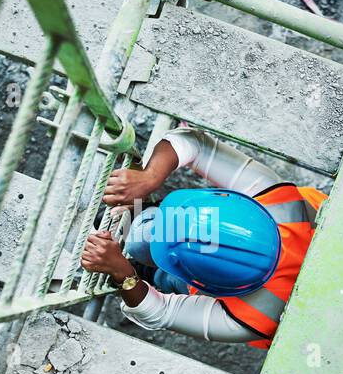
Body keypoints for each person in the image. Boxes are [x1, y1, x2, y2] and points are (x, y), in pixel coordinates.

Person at [80, 126, 326, 347]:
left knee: (160, 269)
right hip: (226, 283)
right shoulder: (276, 198)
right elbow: (194, 143)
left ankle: (147, 264)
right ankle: (143, 236)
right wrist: (149, 177)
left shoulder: (251, 319)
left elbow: (160, 312)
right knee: (145, 244)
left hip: (232, 298)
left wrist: (124, 275)